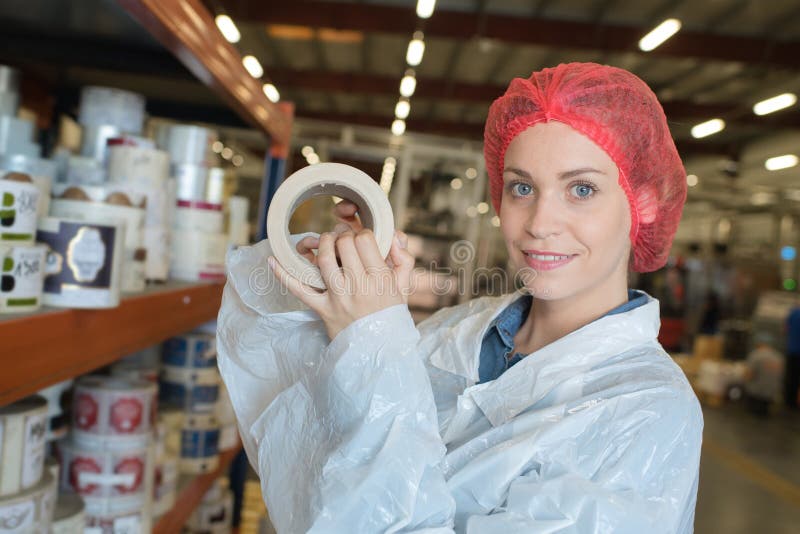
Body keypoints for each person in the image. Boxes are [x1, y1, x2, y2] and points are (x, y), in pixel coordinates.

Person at [218, 63, 703, 533]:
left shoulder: (648, 414)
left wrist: (373, 350)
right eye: (521, 187)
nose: (539, 222)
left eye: (581, 188)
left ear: (645, 202)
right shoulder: (460, 332)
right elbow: (302, 443)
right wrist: (334, 294)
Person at [744, 332, 784, 416]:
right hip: (773, 394)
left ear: (759, 343)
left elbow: (748, 375)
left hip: (756, 394)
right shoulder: (779, 357)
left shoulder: (756, 355)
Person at [786, 304, 800, 409]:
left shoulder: (793, 312)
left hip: (793, 350)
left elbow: (785, 328)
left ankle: (790, 401)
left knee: (792, 377)